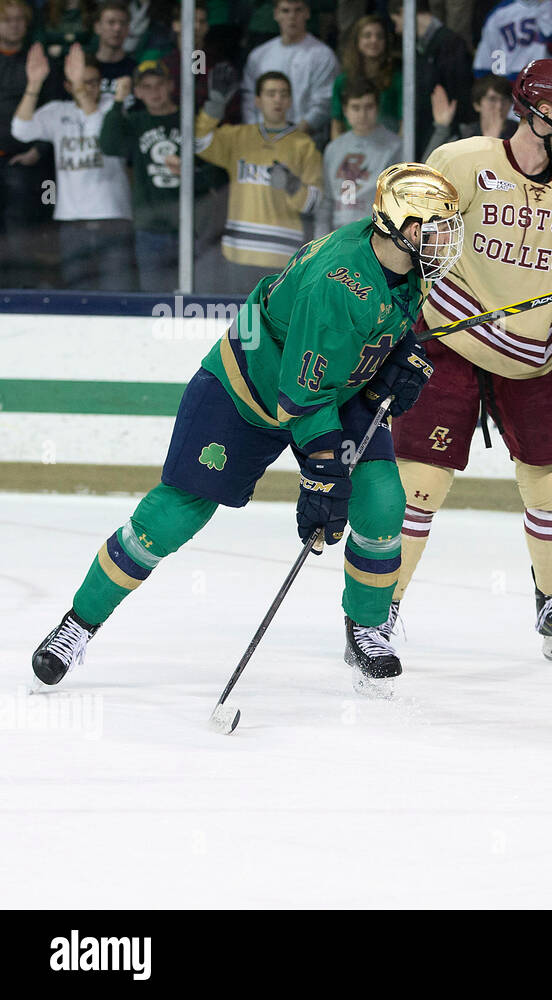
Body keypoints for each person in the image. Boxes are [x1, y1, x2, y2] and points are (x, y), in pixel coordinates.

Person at [31, 162, 465, 692]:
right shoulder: (339, 280)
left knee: (381, 501)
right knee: (171, 517)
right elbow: (302, 394)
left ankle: (368, 628)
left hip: (325, 389)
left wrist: (395, 358)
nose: (445, 240)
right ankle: (77, 625)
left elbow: (365, 336)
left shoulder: (408, 264)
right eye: (435, 227)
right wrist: (324, 473)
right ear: (397, 224)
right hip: (248, 390)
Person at [390, 58, 552, 667]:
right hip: (448, 342)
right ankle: (379, 605)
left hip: (529, 358)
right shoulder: (462, 160)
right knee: (419, 485)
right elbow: (408, 239)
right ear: (535, 110)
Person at [11, 41, 134, 290]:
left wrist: (79, 88)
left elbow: (100, 131)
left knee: (119, 295)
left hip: (112, 217)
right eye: (81, 81)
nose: (88, 88)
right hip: (71, 222)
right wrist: (34, 84)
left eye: (93, 82)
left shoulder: (114, 105)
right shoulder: (57, 110)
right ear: (67, 85)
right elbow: (21, 130)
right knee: (79, 298)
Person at [195, 69, 323, 292]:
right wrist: (214, 105)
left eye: (283, 94)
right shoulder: (238, 137)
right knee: (241, 324)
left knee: (273, 325)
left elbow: (314, 202)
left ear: (290, 101)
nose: (277, 99)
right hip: (238, 252)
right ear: (257, 101)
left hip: (281, 257)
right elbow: (199, 143)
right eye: (271, 93)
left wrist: (292, 186)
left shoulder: (304, 146)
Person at [99, 60, 213, 290]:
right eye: (146, 87)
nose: (154, 92)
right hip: (150, 229)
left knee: (195, 300)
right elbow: (110, 145)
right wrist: (118, 101)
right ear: (138, 92)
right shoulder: (135, 121)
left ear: (171, 85)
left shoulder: (190, 120)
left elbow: (215, 173)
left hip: (191, 226)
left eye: (159, 84)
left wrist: (190, 174)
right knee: (155, 301)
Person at [0, 0, 52, 288]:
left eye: (20, 19)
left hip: (21, 162)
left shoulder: (38, 61)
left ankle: (20, 297)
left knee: (21, 236)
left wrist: (39, 150)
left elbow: (53, 108)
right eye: (7, 20)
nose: (14, 25)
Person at [240, 0, 338, 147]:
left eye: (298, 10)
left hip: (306, 145)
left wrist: (292, 138)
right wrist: (257, 134)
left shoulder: (323, 56)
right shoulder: (259, 55)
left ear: (307, 13)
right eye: (285, 11)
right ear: (276, 14)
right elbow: (249, 98)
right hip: (261, 144)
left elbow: (324, 102)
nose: (292, 16)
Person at [390, 0, 473, 163]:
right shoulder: (418, 48)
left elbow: (460, 97)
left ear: (404, 12)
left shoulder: (451, 44)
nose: (397, 30)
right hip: (430, 134)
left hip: (448, 138)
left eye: (395, 21)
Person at [320, 80, 400, 230]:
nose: (362, 114)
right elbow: (326, 201)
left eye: (368, 107)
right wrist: (320, 241)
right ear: (345, 110)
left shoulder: (395, 147)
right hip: (337, 233)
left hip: (372, 231)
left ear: (377, 108)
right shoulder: (333, 149)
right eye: (355, 108)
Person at [329, 13, 400, 140]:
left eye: (379, 36)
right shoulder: (342, 81)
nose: (374, 40)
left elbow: (403, 123)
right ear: (357, 41)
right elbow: (336, 123)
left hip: (388, 149)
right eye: (367, 35)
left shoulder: (397, 79)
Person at [472, 0, 552, 81]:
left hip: (551, 83)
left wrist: (547, 8)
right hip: (510, 89)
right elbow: (483, 66)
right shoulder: (498, 15)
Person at [421, 73, 514, 159]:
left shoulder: (518, 134)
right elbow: (428, 169)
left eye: (505, 100)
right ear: (477, 105)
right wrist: (442, 127)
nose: (499, 106)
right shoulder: (465, 135)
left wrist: (494, 141)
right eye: (492, 99)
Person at [89, 0, 135, 98]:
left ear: (128, 29)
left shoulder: (135, 70)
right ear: (97, 27)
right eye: (111, 22)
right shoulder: (84, 68)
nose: (117, 28)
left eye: (122, 23)